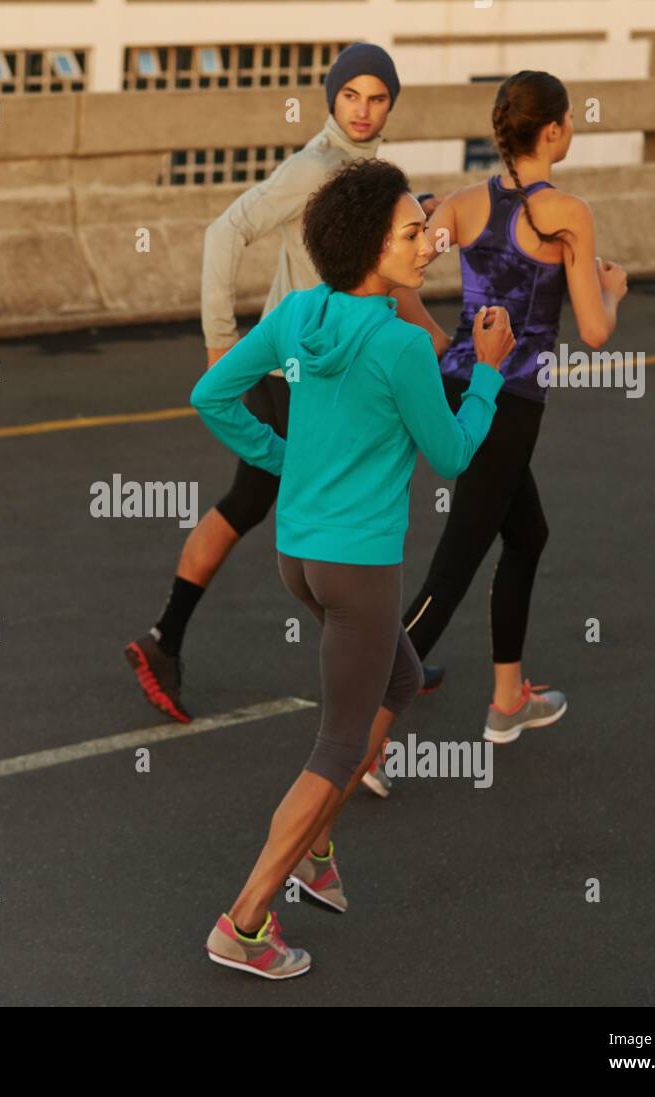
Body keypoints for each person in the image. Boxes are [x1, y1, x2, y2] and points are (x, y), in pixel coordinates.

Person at [193, 158, 515, 977]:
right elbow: (452, 454)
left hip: (298, 557)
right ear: (369, 245)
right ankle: (245, 920)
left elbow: (213, 396)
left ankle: (316, 845)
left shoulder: (297, 315)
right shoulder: (403, 345)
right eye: (411, 233)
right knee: (336, 748)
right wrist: (486, 373)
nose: (426, 244)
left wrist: (282, 452)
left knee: (399, 684)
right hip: (360, 569)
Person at [125, 44, 449, 781]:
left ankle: (169, 637)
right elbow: (223, 231)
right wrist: (218, 343)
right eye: (350, 95)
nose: (363, 108)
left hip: (325, 368)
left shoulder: (371, 179)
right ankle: (356, 687)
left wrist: (442, 344)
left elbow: (384, 285)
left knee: (261, 503)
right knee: (321, 508)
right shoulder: (310, 171)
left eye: (377, 97)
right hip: (296, 371)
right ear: (328, 99)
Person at [400, 70, 629, 743]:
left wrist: (443, 342)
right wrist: (613, 288)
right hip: (509, 402)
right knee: (453, 568)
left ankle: (508, 699)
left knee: (527, 535)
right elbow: (593, 330)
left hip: (458, 383)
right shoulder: (567, 213)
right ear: (553, 130)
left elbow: (403, 268)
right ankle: (368, 733)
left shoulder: (467, 203)